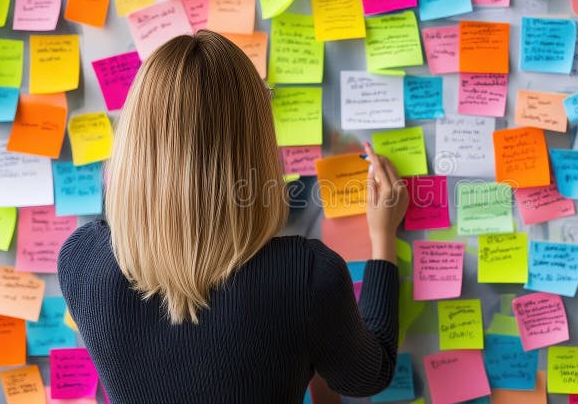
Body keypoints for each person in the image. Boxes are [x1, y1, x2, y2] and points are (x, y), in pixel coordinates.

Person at [58, 30, 408, 404]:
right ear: (255, 147)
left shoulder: (80, 260)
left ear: (134, 140)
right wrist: (382, 237)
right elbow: (369, 375)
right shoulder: (306, 277)